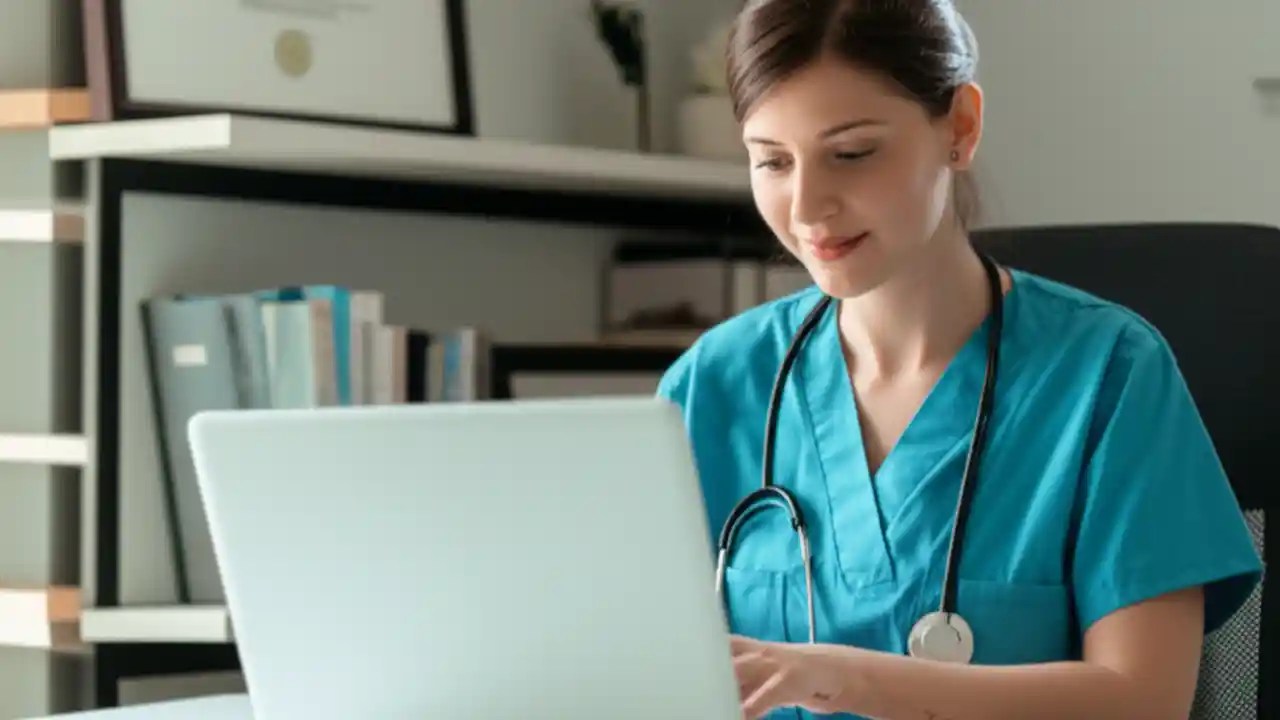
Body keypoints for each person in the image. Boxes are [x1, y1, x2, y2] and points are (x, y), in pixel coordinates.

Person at [655, 1, 1264, 718]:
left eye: (851, 153)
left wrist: (845, 679)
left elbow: (1142, 701)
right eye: (772, 161)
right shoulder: (714, 384)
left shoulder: (1110, 376)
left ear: (961, 128)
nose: (808, 206)